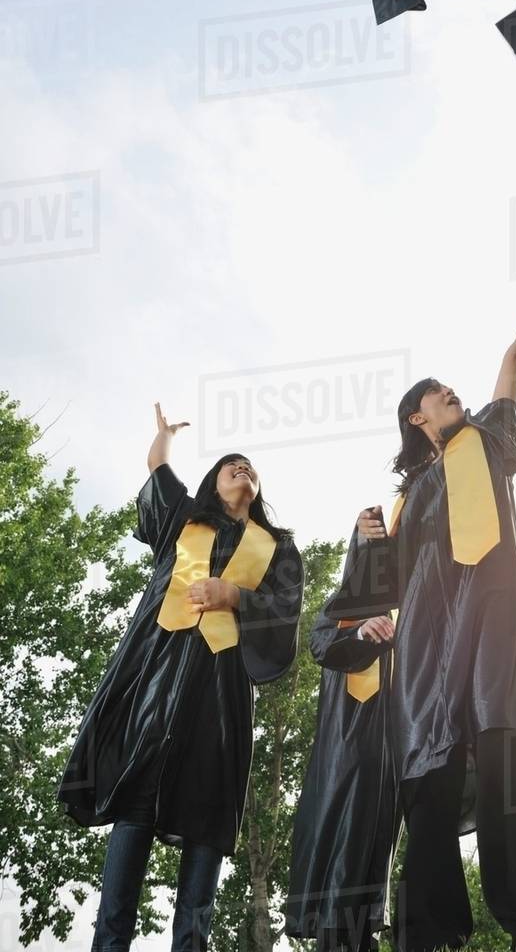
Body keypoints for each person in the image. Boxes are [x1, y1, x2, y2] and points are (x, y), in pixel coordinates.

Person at [328, 279, 516, 952]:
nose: (452, 397)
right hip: (426, 641)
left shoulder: (488, 437)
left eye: (452, 392)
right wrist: (366, 534)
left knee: (505, 757)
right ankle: (433, 934)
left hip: (494, 613)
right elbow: (381, 582)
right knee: (429, 781)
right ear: (417, 416)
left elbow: (512, 361)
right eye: (439, 394)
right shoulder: (409, 494)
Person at [58, 404, 303, 952]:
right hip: (156, 684)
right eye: (230, 464)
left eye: (250, 467)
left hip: (221, 698)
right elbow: (157, 474)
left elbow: (286, 611)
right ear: (213, 482)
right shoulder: (184, 523)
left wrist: (235, 594)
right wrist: (163, 439)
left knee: (206, 821)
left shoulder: (277, 547)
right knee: (135, 806)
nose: (242, 469)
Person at [286, 527, 400, 952]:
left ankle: (362, 938)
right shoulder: (340, 608)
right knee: (336, 841)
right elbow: (319, 647)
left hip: (390, 748)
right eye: (368, 554)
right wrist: (359, 633)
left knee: (374, 848)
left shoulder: (409, 609)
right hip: (342, 743)